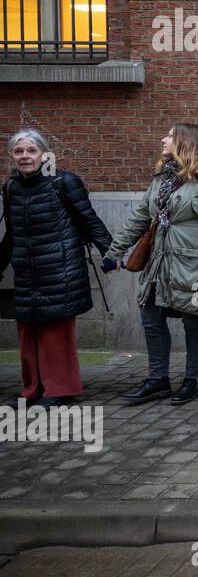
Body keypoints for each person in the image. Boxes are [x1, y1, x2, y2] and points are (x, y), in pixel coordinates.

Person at [104, 124, 198, 405]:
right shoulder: (162, 177)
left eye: (170, 136)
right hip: (159, 261)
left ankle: (193, 378)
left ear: (185, 142)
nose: (163, 139)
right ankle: (157, 379)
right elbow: (140, 216)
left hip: (195, 265)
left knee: (192, 318)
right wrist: (115, 251)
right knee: (150, 316)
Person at [0, 129, 113, 407]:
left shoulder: (64, 182)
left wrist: (112, 252)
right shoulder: (11, 189)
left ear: (44, 154)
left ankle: (59, 390)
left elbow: (89, 219)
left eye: (31, 151)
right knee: (27, 330)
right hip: (28, 270)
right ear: (12, 157)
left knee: (55, 331)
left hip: (61, 268)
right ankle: (33, 390)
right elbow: (11, 234)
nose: (25, 156)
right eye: (18, 152)